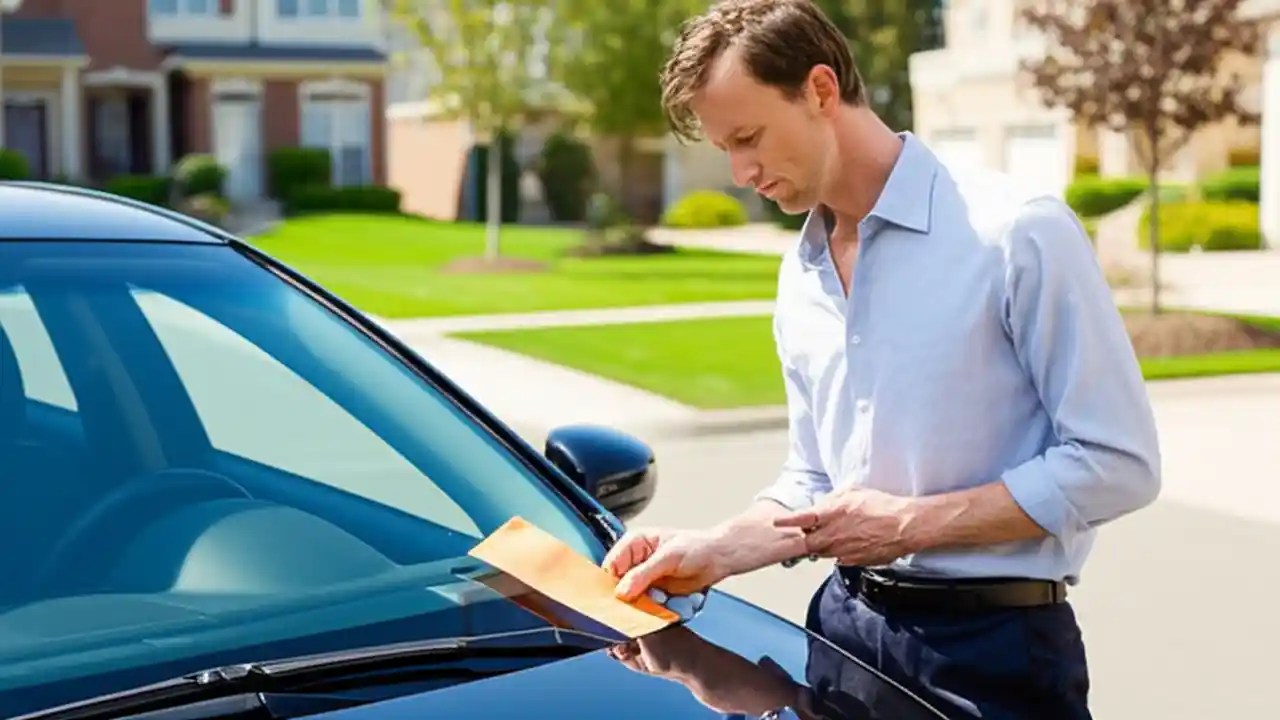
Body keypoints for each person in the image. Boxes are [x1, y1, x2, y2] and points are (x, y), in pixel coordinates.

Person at [602, 1, 1162, 718]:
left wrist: (909, 525)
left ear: (821, 90)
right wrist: (716, 548)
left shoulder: (1016, 232)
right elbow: (815, 476)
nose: (741, 172)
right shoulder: (799, 272)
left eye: (749, 137)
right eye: (726, 149)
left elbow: (1120, 464)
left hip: (991, 655)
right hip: (839, 634)